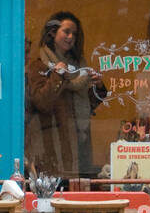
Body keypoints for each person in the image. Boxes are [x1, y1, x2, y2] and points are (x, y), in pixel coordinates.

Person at [26, 11, 105, 179]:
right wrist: (57, 75)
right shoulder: (39, 66)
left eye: (74, 34)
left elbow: (86, 107)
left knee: (77, 192)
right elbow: (42, 103)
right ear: (53, 33)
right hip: (51, 145)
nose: (71, 37)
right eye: (66, 31)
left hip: (78, 141)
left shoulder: (78, 66)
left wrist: (97, 87)